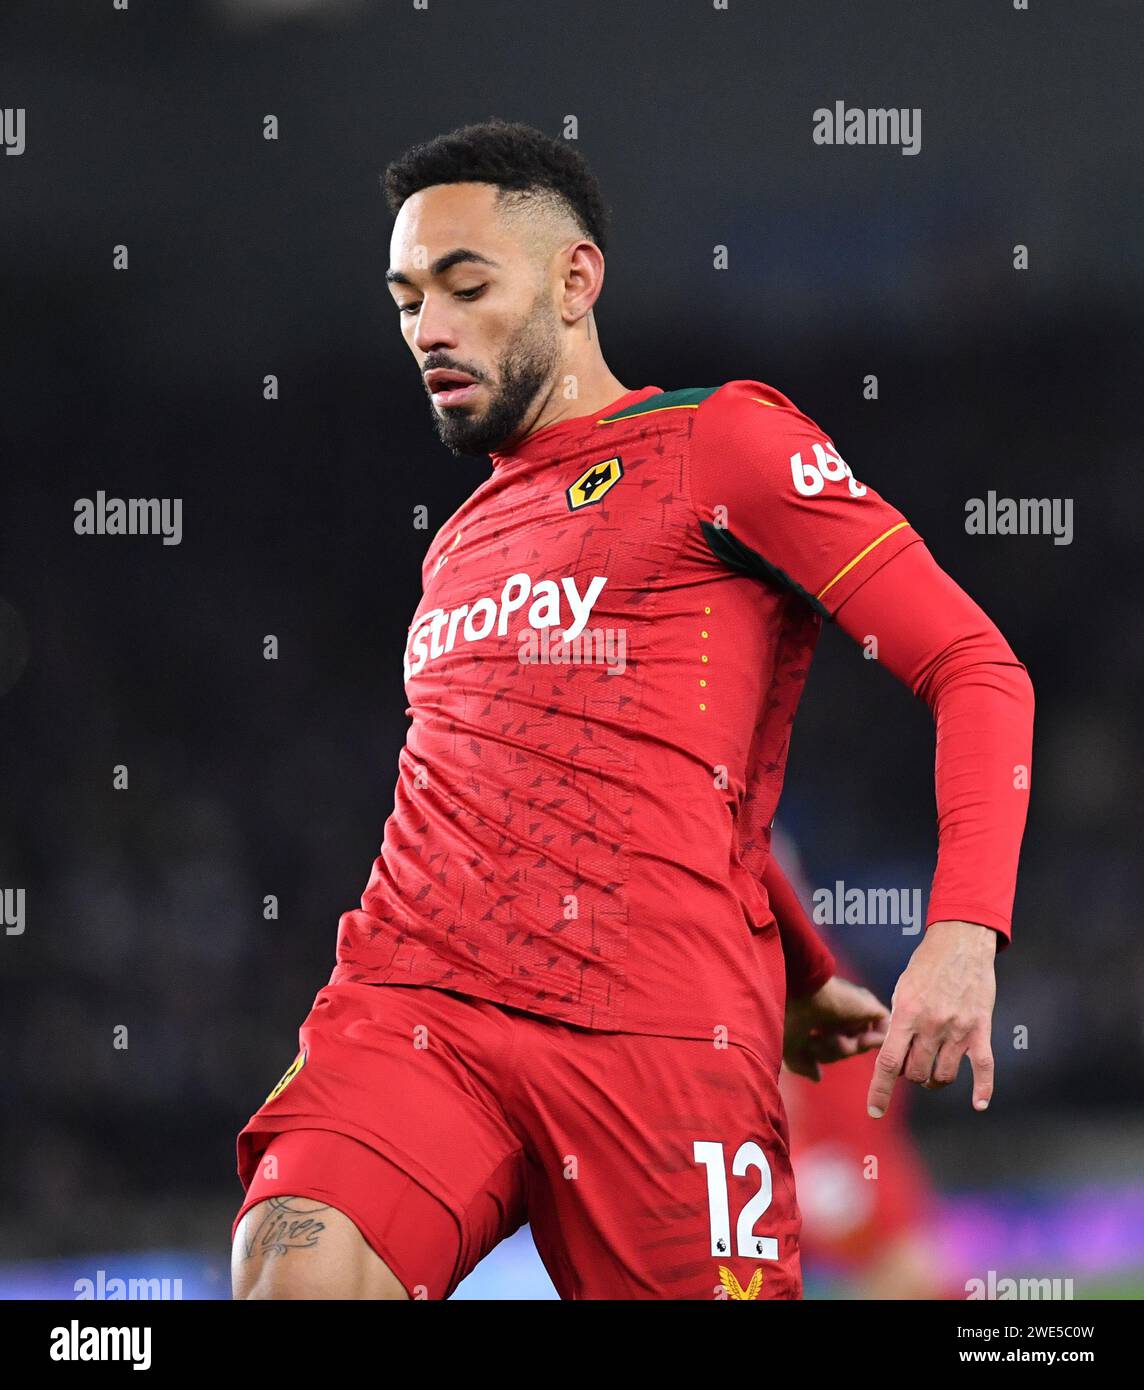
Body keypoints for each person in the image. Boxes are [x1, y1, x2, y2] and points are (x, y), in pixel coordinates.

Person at [230, 119, 1033, 1301]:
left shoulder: (723, 443)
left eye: (463, 286)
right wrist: (808, 972)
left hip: (659, 1039)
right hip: (418, 1001)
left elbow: (972, 663)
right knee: (293, 1263)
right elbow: (593, 772)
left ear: (574, 278)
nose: (427, 330)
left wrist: (962, 932)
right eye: (405, 299)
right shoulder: (454, 547)